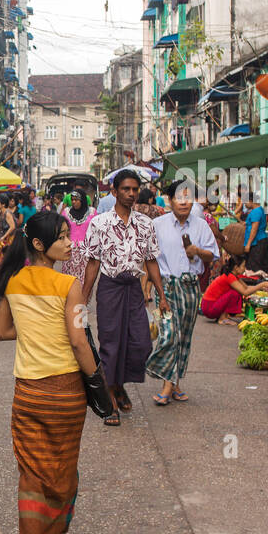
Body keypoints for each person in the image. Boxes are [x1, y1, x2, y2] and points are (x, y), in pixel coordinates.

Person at [0, 212, 99, 534]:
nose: (70, 243)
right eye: (62, 237)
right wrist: (97, 382)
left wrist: (33, 327)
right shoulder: (71, 285)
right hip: (66, 392)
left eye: (69, 235)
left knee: (31, 471)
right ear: (39, 244)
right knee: (63, 469)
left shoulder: (13, 282)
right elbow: (79, 341)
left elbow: (3, 331)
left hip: (29, 392)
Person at [81, 172, 169, 425]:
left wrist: (161, 296)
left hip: (134, 288)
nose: (132, 193)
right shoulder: (99, 223)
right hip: (109, 288)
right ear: (114, 191)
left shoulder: (146, 224)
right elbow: (92, 262)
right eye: (126, 189)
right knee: (111, 344)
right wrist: (83, 299)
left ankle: (118, 384)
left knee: (141, 344)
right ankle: (110, 400)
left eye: (135, 189)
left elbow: (151, 260)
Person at [146, 180, 219, 405]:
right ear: (169, 200)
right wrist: (151, 290)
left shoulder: (200, 225)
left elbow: (213, 255)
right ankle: (167, 385)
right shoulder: (157, 225)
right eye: (179, 197)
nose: (184, 202)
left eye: (188, 197)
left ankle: (175, 381)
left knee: (183, 338)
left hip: (190, 287)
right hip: (165, 288)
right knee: (168, 335)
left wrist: (197, 251)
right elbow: (150, 261)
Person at [200, 253, 268, 323]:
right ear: (236, 268)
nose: (245, 269)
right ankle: (222, 319)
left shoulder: (233, 276)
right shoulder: (230, 277)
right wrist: (261, 284)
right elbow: (245, 292)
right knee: (235, 293)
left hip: (209, 306)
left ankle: (224, 316)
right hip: (209, 307)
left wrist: (262, 288)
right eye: (243, 266)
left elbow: (246, 287)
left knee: (236, 292)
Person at [59, 189, 95, 285]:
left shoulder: (92, 212)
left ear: (82, 200)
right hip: (70, 252)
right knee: (69, 281)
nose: (73, 202)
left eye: (76, 200)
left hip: (86, 253)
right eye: (72, 199)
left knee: (85, 280)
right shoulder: (66, 212)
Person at [243, 193, 268, 272]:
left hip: (257, 242)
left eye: (245, 202)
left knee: (255, 268)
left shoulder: (256, 211)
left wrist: (248, 244)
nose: (244, 204)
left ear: (251, 201)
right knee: (261, 267)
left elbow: (254, 229)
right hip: (261, 240)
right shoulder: (260, 209)